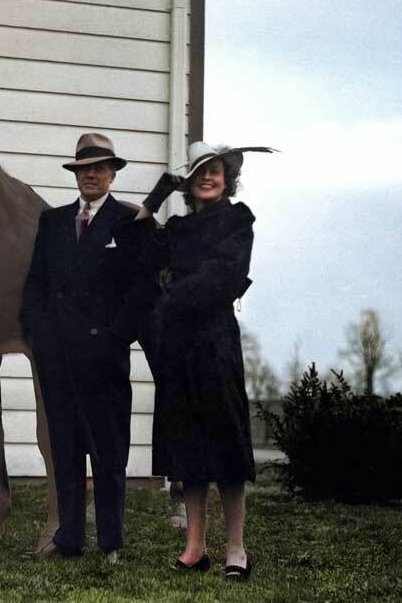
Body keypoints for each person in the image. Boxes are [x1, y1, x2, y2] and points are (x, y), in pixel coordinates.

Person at [114, 141, 275, 580]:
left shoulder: (238, 222)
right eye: (200, 171)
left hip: (215, 342)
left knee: (225, 445)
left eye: (216, 170)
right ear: (188, 182)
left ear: (228, 178)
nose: (208, 177)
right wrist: (155, 197)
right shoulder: (180, 228)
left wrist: (170, 296)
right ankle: (195, 548)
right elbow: (133, 247)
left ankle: (236, 550)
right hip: (178, 347)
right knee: (187, 449)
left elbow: (223, 277)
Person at [20, 133, 140, 563]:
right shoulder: (51, 222)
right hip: (59, 359)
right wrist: (39, 335)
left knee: (108, 452)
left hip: (103, 359)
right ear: (75, 174)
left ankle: (110, 544)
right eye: (83, 168)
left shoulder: (129, 222)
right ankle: (69, 537)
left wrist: (113, 339)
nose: (91, 175)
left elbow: (139, 292)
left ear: (112, 174)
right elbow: (35, 284)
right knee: (66, 449)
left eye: (99, 168)